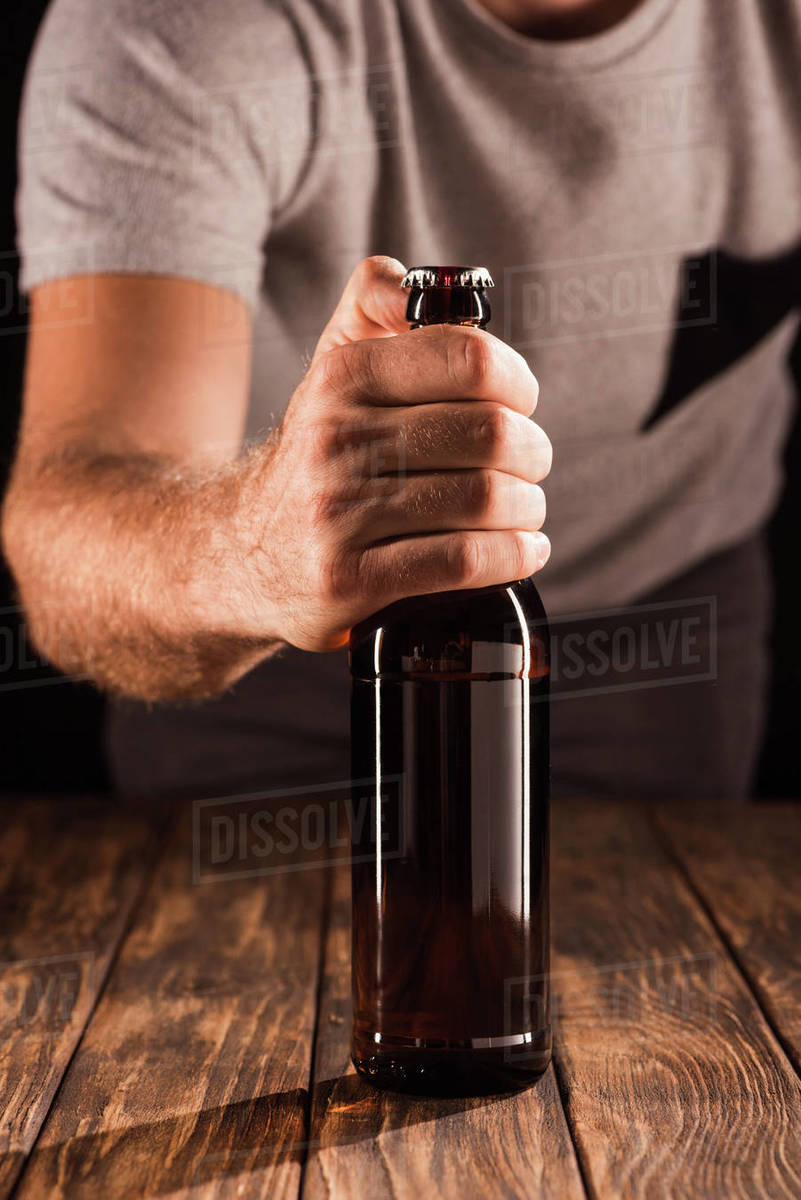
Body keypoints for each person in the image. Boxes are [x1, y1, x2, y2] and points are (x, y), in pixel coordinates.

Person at [4, 0, 798, 801]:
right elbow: (69, 524)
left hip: (660, 628)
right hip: (274, 663)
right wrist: (259, 554)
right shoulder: (175, 23)